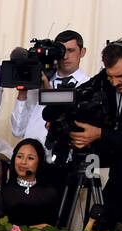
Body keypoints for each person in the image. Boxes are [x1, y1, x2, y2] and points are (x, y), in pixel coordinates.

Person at [68, 39, 122, 230]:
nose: (115, 82)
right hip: (119, 177)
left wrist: (100, 134)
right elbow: (81, 96)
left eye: (120, 76)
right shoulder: (106, 82)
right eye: (111, 76)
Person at [11, 30, 90, 159]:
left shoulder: (87, 85)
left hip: (65, 162)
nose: (65, 56)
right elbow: (17, 130)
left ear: (82, 52)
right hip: (32, 162)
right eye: (61, 51)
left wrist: (48, 91)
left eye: (70, 51)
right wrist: (22, 92)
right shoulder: (37, 81)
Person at [0, 138, 59, 225]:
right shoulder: (3, 192)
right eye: (19, 156)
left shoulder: (50, 193)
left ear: (39, 161)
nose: (23, 162)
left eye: (30, 158)